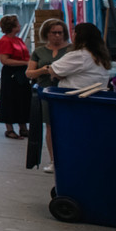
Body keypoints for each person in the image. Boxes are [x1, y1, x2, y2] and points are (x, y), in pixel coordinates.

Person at [25, 18, 70, 173]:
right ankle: (53, 160)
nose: (57, 36)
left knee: (67, 127)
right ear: (47, 34)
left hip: (67, 92)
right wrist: (43, 70)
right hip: (46, 92)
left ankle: (68, 158)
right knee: (50, 127)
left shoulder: (71, 50)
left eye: (60, 33)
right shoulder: (39, 52)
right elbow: (29, 73)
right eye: (54, 33)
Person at [0, 14, 32, 139]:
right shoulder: (5, 41)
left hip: (22, 72)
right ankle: (9, 129)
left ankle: (23, 127)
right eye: (17, 24)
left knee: (23, 99)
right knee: (10, 99)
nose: (20, 25)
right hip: (11, 73)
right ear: (12, 26)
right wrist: (25, 63)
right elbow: (5, 60)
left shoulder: (18, 40)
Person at [47, 22, 112, 90]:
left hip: (77, 96)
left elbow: (53, 69)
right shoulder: (100, 55)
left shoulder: (80, 55)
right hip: (97, 96)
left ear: (76, 35)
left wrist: (62, 76)